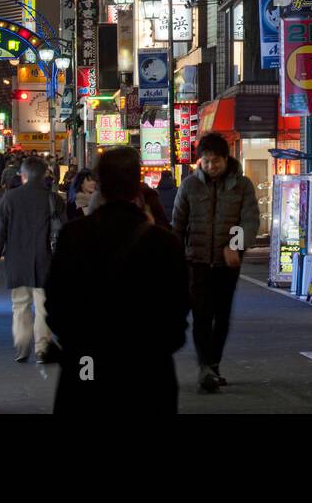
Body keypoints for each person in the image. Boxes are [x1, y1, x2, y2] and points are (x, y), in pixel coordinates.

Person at [44, 147, 189, 413]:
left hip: (87, 359)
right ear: (137, 185)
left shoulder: (74, 235)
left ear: (101, 184)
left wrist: (74, 342)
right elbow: (178, 307)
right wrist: (161, 345)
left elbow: (56, 300)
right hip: (148, 366)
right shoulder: (163, 242)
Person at [172, 133, 259, 393]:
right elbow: (178, 223)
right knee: (201, 315)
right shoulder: (188, 186)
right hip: (196, 261)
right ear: (200, 161)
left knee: (221, 317)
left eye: (216, 161)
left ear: (226, 159)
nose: (211, 167)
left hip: (226, 265)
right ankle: (204, 367)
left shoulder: (242, 186)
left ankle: (214, 363)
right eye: (206, 162)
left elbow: (250, 221)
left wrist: (235, 245)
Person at [0, 157, 65, 363]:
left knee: (20, 306)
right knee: (43, 307)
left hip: (17, 260)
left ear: (23, 176)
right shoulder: (53, 199)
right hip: (46, 261)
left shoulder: (10, 198)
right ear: (44, 175)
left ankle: (22, 347)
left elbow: (0, 231)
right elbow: (64, 232)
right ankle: (42, 349)